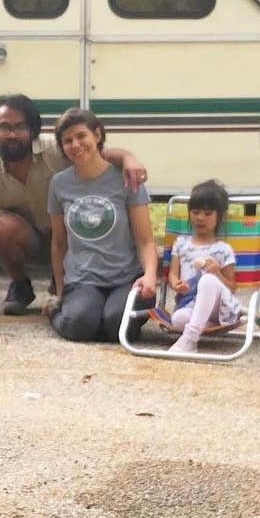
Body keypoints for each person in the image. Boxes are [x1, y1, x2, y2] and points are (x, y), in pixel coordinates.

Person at [0, 94, 147, 315]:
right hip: (30, 241)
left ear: (33, 130)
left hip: (70, 240)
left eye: (20, 126)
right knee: (1, 228)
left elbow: (100, 155)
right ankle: (21, 286)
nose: (12, 134)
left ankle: (62, 284)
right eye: (4, 127)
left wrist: (129, 158)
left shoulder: (56, 150)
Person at [44, 108, 158, 342]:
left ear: (97, 135)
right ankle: (56, 312)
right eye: (67, 141)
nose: (75, 144)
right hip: (83, 279)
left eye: (81, 136)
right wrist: (60, 289)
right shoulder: (59, 184)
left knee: (117, 323)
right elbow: (58, 243)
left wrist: (149, 276)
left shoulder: (126, 177)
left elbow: (145, 240)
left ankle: (107, 316)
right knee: (79, 324)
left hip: (126, 278)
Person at [166, 179, 240, 354]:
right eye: (195, 212)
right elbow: (172, 275)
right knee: (177, 319)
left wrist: (216, 275)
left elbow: (231, 288)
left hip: (219, 308)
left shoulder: (223, 250)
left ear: (219, 216)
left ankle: (190, 339)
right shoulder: (181, 244)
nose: (200, 218)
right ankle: (199, 326)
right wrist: (177, 285)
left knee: (207, 279)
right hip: (189, 304)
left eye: (207, 213)